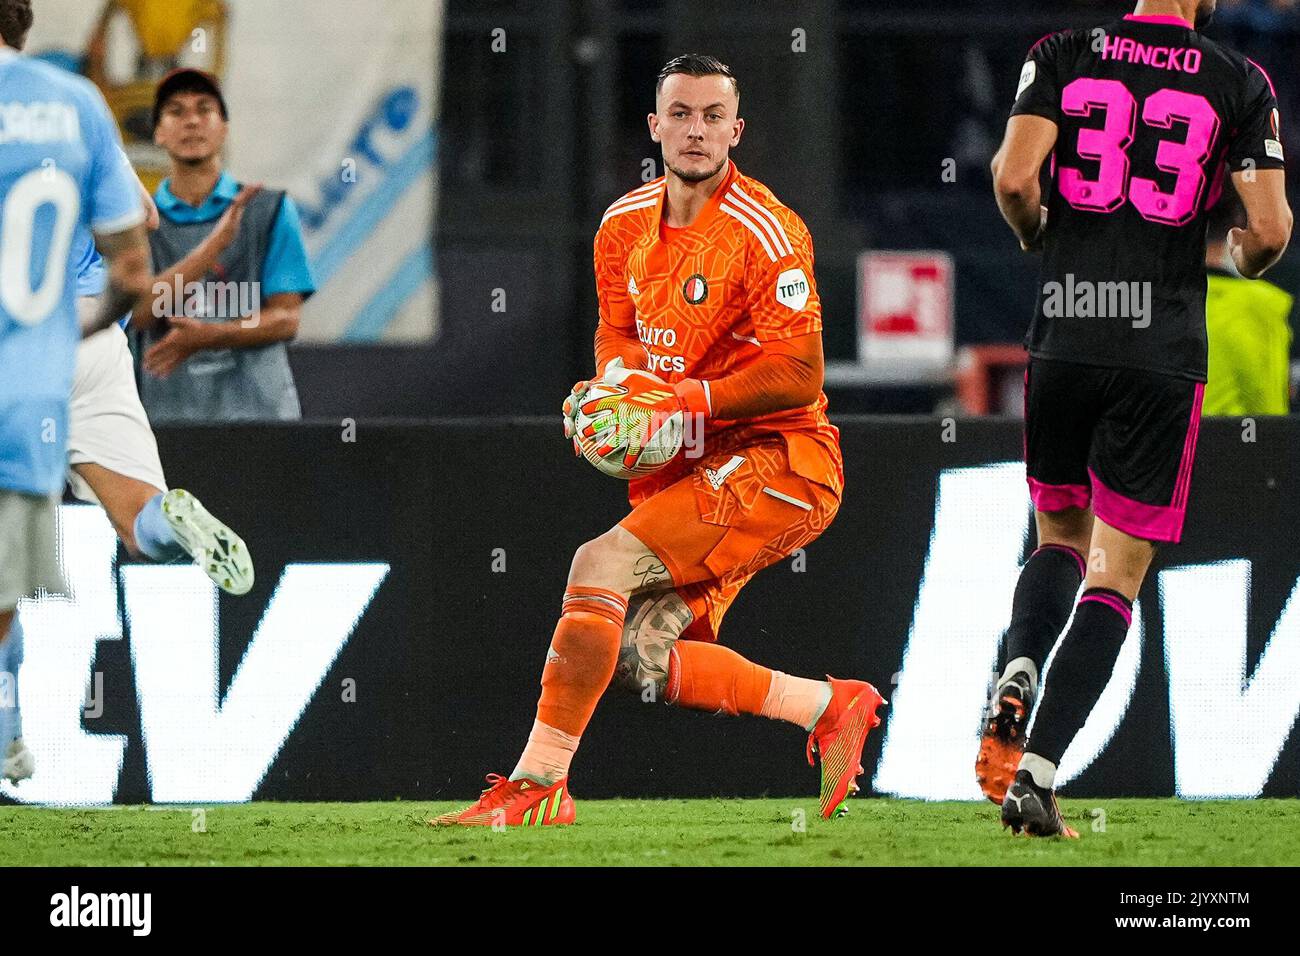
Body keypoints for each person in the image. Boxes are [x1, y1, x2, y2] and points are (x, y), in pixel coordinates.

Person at [431, 55, 882, 828]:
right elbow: (616, 332)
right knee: (643, 658)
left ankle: (539, 784)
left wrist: (681, 398)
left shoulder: (766, 230)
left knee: (596, 563)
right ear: (655, 126)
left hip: (783, 462)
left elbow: (802, 374)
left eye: (713, 116)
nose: (696, 130)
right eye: (681, 114)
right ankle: (828, 706)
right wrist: (616, 393)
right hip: (696, 464)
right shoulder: (622, 226)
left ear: (736, 131)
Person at [983, 0, 1292, 836]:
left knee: (1057, 540)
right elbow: (1267, 231)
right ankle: (1037, 779)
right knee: (1115, 575)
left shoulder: (1062, 50)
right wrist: (1240, 256)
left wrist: (1032, 232)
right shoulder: (1240, 80)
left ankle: (1017, 663)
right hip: (1159, 347)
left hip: (1067, 330)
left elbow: (1013, 179)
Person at [0, 0, 151, 781]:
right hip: (43, 372)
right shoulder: (74, 104)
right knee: (4, 579)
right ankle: (158, 522)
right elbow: (137, 260)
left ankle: (6, 725)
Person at [132, 68, 315, 422]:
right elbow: (138, 313)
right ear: (157, 133)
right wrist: (212, 248)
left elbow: (286, 319)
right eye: (176, 111)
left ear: (224, 128)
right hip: (167, 422)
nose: (192, 122)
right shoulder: (139, 221)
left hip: (259, 419)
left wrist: (210, 335)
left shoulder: (270, 209)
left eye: (205, 109)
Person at [1202, 192, 1294, 414]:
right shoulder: (1259, 305)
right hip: (1229, 446)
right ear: (1239, 225)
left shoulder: (1145, 301)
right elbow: (1269, 412)